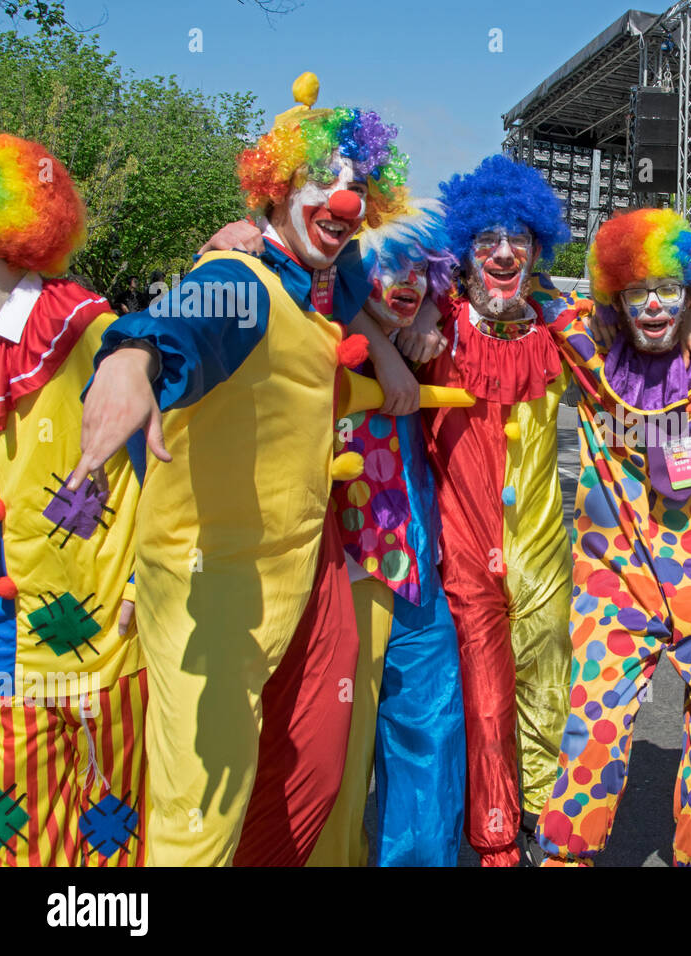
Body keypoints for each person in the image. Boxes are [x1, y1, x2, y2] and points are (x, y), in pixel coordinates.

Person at [72, 73, 408, 865]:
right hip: (208, 590)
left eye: (359, 187)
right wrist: (132, 359)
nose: (347, 201)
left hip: (300, 572)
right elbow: (183, 320)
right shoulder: (241, 281)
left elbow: (355, 295)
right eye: (324, 181)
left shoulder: (321, 284)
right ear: (276, 189)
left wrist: (393, 343)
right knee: (202, 811)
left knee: (315, 770)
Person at [535, 208, 691, 866]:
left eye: (670, 288)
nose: (655, 305)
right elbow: (509, 271)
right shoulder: (588, 344)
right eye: (638, 290)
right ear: (615, 294)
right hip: (617, 593)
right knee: (591, 743)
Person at [418, 154, 574, 866]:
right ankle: (494, 833)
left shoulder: (558, 329)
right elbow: (354, 283)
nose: (505, 252)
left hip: (542, 547)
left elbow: (647, 323)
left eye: (519, 237)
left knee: (547, 673)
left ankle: (546, 814)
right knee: (485, 692)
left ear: (539, 247)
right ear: (465, 252)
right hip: (464, 539)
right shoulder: (434, 322)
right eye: (487, 239)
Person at [0, 134, 146, 866]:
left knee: (105, 824)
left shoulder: (84, 328)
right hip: (4, 640)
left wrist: (155, 572)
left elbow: (163, 462)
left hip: (91, 624)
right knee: (10, 824)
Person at [306, 202, 467, 866]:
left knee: (427, 726)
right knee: (332, 742)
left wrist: (431, 311)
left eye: (418, 271)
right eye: (387, 267)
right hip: (337, 574)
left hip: (415, 570)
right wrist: (371, 343)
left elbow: (506, 290)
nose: (406, 283)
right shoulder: (315, 326)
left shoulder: (425, 328)